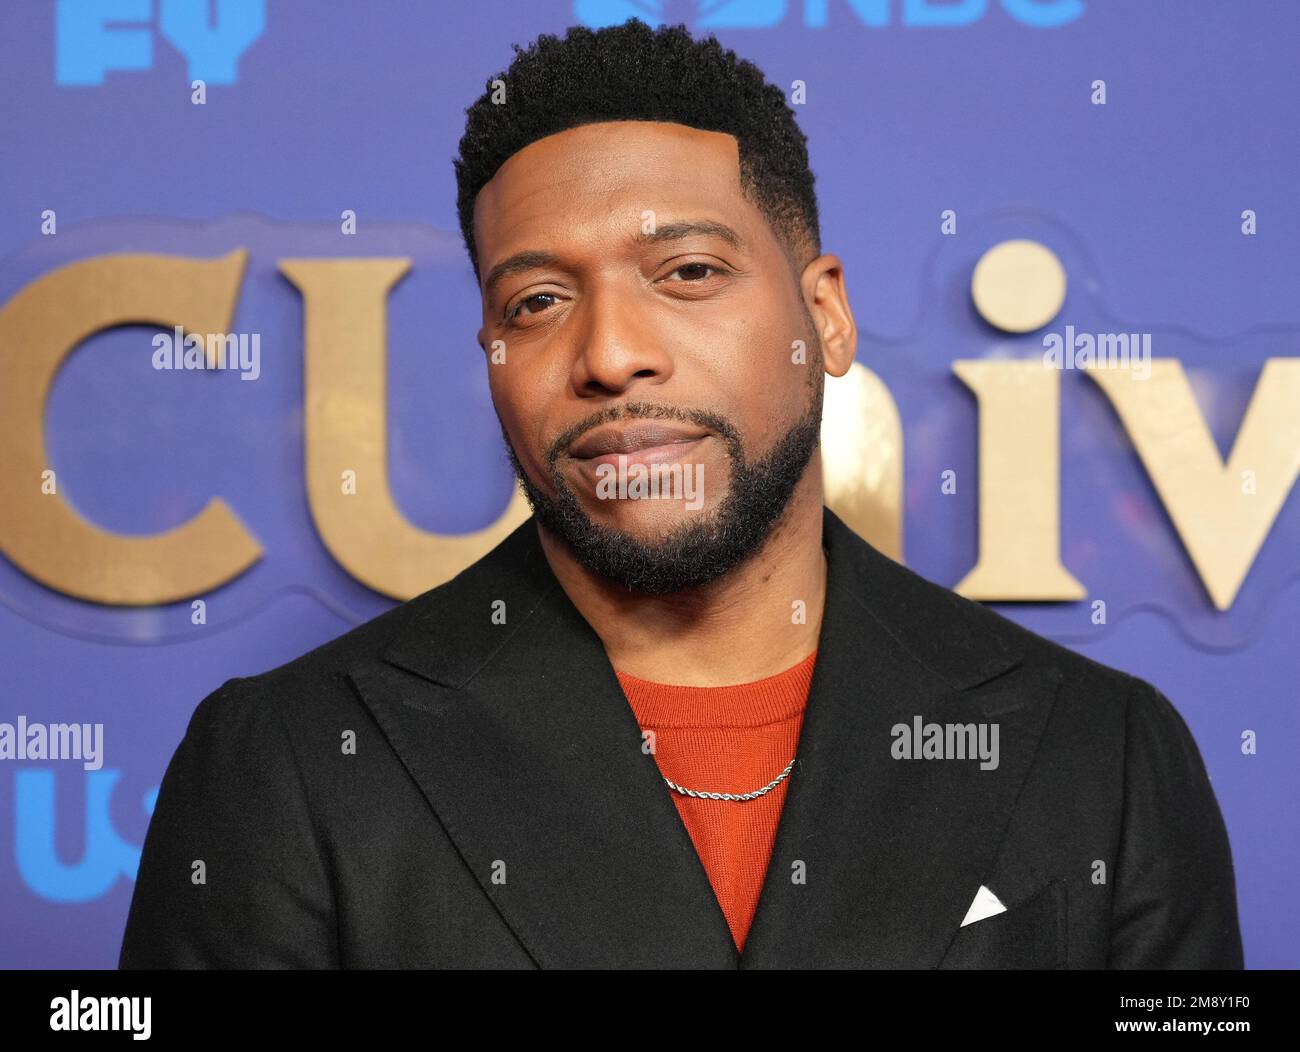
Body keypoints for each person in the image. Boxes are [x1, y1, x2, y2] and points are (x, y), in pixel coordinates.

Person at [119, 18, 1243, 969]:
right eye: (538, 301)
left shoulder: (1106, 754)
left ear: (826, 316)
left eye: (688, 273)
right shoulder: (288, 763)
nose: (610, 352)